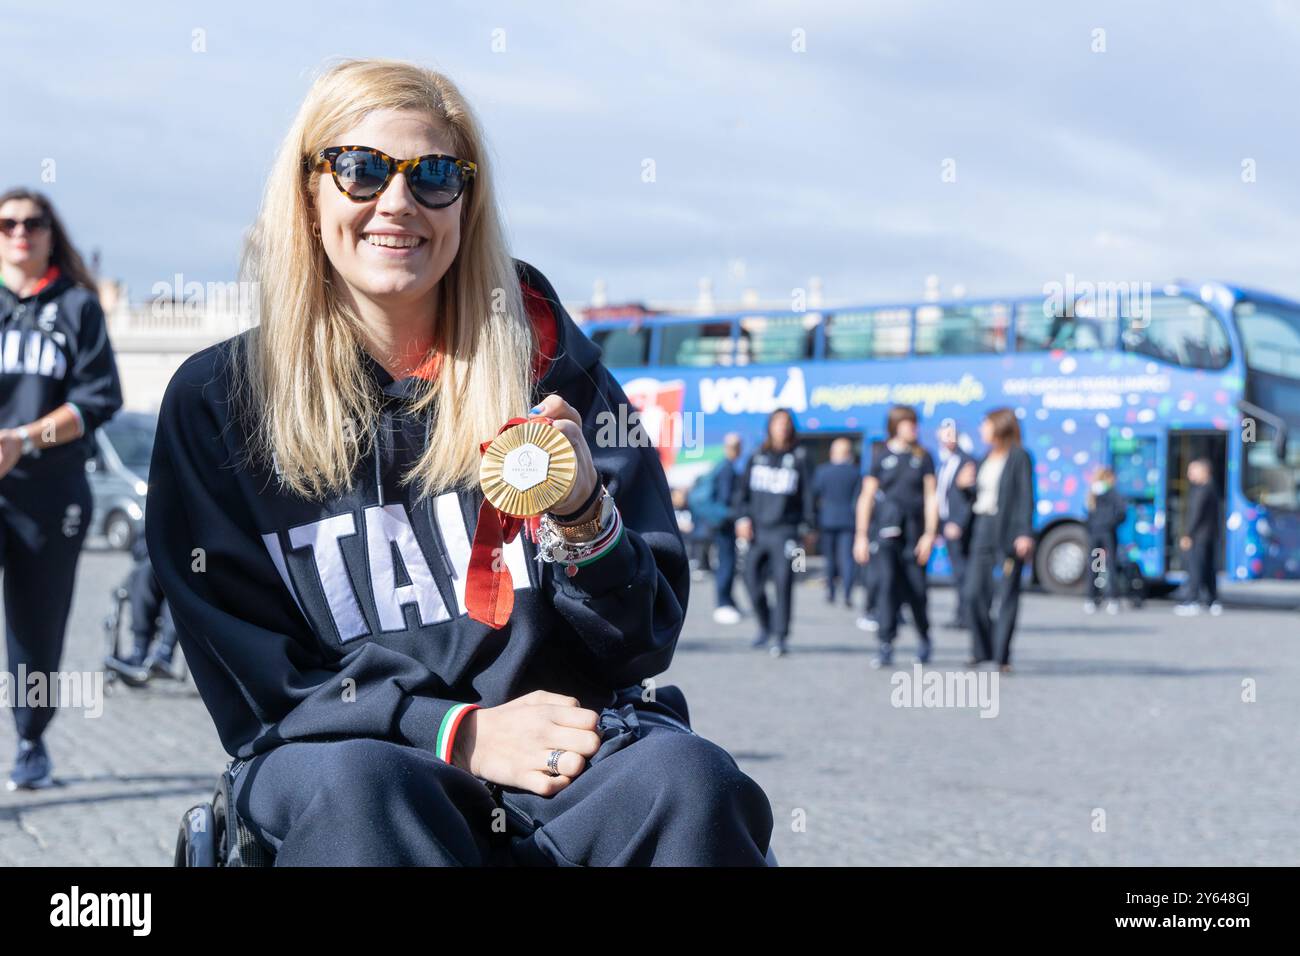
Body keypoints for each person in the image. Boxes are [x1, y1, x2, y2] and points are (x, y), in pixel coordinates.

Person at [145, 59, 772, 866]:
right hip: (350, 748)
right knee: (367, 794)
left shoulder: (551, 368)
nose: (398, 202)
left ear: (467, 204)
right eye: (362, 170)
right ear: (309, 193)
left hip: (554, 748)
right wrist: (454, 731)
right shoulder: (216, 403)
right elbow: (258, 682)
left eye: (435, 175)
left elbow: (640, 640)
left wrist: (583, 515)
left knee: (688, 781)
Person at [0, 188, 123, 790]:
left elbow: (98, 399)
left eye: (33, 223)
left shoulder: (77, 308)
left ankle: (30, 740)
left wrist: (23, 439)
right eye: (7, 223)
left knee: (35, 625)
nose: (19, 232)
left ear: (51, 232)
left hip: (46, 495)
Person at [853, 405, 938, 668]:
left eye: (915, 423)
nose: (913, 428)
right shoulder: (880, 456)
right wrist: (861, 535)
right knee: (886, 586)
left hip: (914, 533)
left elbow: (931, 497)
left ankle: (924, 637)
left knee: (916, 590)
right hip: (886, 532)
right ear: (895, 426)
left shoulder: (923, 457)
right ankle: (885, 642)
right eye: (908, 423)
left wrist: (929, 534)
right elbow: (866, 497)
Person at [734, 408, 814, 658]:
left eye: (786, 423)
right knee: (750, 579)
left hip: (786, 530)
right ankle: (765, 625)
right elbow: (742, 493)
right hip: (757, 530)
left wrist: (808, 526)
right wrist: (742, 517)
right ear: (769, 426)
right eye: (778, 423)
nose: (782, 427)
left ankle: (780, 635)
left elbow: (809, 494)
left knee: (783, 583)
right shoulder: (757, 456)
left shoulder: (800, 457)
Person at [960, 408, 1035, 674]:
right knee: (972, 593)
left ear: (999, 426)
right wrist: (964, 486)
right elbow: (977, 496)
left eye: (985, 424)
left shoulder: (1019, 457)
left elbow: (1026, 496)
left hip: (1007, 531)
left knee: (1007, 595)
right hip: (982, 527)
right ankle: (982, 650)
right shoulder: (984, 459)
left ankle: (1002, 655)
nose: (981, 430)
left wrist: (1025, 532)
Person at [693, 432, 743, 625]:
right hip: (724, 522)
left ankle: (727, 601)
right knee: (726, 562)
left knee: (725, 560)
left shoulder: (720, 465)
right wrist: (733, 515)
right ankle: (723, 603)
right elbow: (725, 498)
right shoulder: (727, 469)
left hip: (718, 520)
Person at [934, 417, 975, 628]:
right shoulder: (945, 463)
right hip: (944, 522)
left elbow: (967, 498)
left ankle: (966, 615)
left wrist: (957, 522)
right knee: (958, 573)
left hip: (957, 525)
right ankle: (961, 614)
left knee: (962, 573)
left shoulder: (966, 461)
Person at [811, 437, 860, 608]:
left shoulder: (822, 472)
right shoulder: (855, 473)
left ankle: (831, 592)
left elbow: (814, 495)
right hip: (849, 520)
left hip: (827, 519)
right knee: (847, 559)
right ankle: (847, 593)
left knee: (830, 558)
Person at [1175, 458, 1222, 616]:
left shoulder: (1201, 490)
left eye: (1192, 470)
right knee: (1209, 569)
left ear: (1203, 471)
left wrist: (1188, 534)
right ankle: (1212, 601)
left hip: (1199, 536)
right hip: (1210, 535)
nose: (1189, 474)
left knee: (1195, 568)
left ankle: (1192, 600)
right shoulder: (1212, 488)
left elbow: (1196, 514)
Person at [1083, 466, 1127, 615]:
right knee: (1111, 566)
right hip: (1108, 533)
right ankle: (1112, 599)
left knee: (1096, 566)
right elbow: (1122, 512)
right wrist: (1110, 523)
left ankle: (1091, 598)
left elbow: (1088, 515)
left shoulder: (1092, 492)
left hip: (1095, 533)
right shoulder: (1112, 492)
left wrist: (1093, 527)